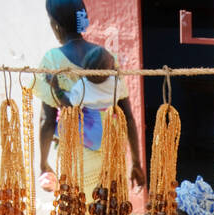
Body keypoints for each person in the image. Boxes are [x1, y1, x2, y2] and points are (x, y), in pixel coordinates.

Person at [34, 0, 145, 196]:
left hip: (76, 157)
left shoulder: (52, 60)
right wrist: (136, 162)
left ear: (55, 26)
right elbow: (127, 115)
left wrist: (43, 163)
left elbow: (47, 120)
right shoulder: (107, 57)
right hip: (112, 152)